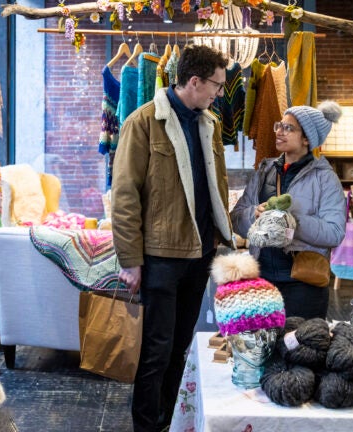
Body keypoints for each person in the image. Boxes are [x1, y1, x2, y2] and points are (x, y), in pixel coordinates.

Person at [111, 44, 235, 432]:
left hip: (200, 254)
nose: (219, 92)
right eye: (216, 84)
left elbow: (217, 184)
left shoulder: (209, 124)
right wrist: (130, 260)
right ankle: (147, 425)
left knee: (181, 345)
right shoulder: (144, 122)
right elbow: (125, 194)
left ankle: (168, 419)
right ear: (194, 81)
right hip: (162, 256)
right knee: (156, 351)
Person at [230, 102, 346, 319]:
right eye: (279, 125)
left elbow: (335, 232)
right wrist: (255, 214)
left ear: (306, 139)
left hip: (303, 284)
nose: (280, 131)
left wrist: (291, 222)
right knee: (262, 350)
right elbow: (236, 218)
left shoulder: (325, 178)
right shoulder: (265, 171)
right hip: (261, 280)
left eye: (289, 128)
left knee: (299, 348)